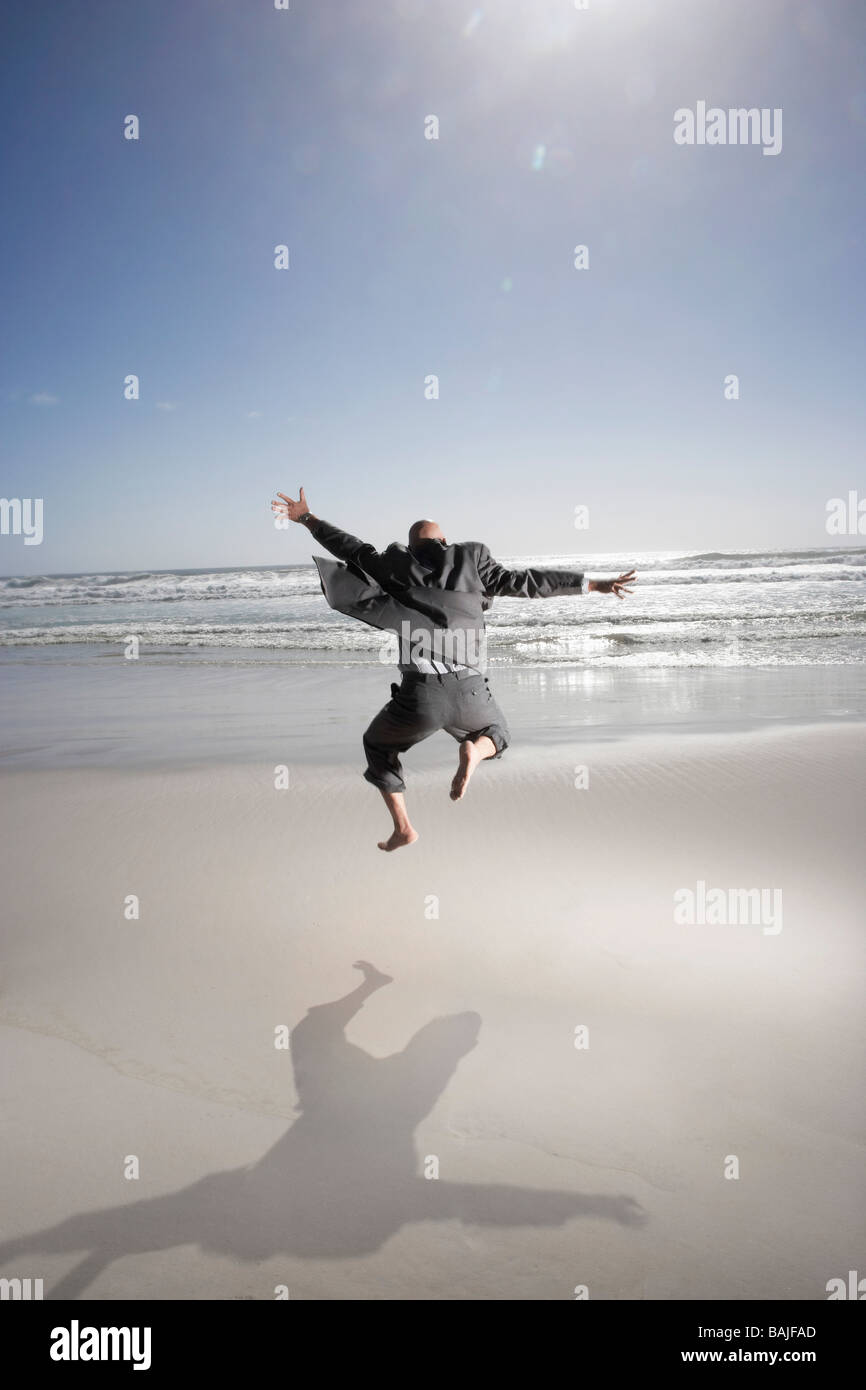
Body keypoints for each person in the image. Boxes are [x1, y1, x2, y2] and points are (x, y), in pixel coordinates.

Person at [272, 488, 635, 851]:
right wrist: (591, 584)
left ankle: (403, 828)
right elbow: (527, 581)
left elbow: (351, 548)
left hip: (419, 697)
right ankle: (475, 750)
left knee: (377, 745)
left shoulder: (395, 563)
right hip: (471, 691)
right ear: (444, 540)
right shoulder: (473, 558)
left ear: (411, 547)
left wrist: (308, 518)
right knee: (498, 733)